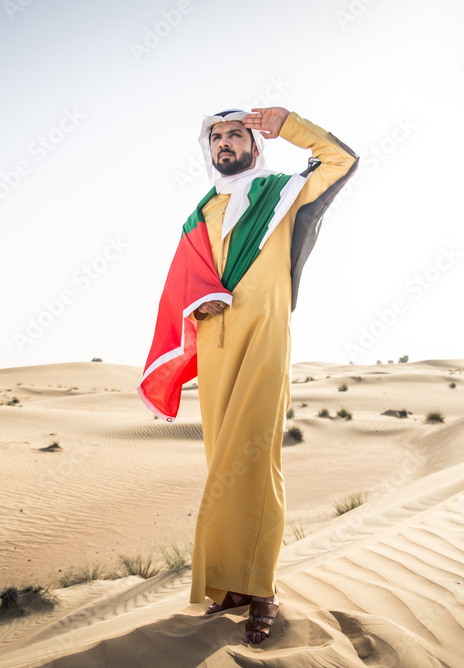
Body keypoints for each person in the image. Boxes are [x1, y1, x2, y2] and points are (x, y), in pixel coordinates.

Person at [138, 106, 357, 644]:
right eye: (216, 137)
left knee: (256, 458)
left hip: (264, 333)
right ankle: (230, 585)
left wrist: (288, 124)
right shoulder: (201, 212)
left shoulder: (282, 192)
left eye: (235, 133)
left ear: (254, 144)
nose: (225, 143)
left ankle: (262, 588)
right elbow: (187, 276)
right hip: (215, 342)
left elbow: (341, 159)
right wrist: (201, 302)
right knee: (223, 460)